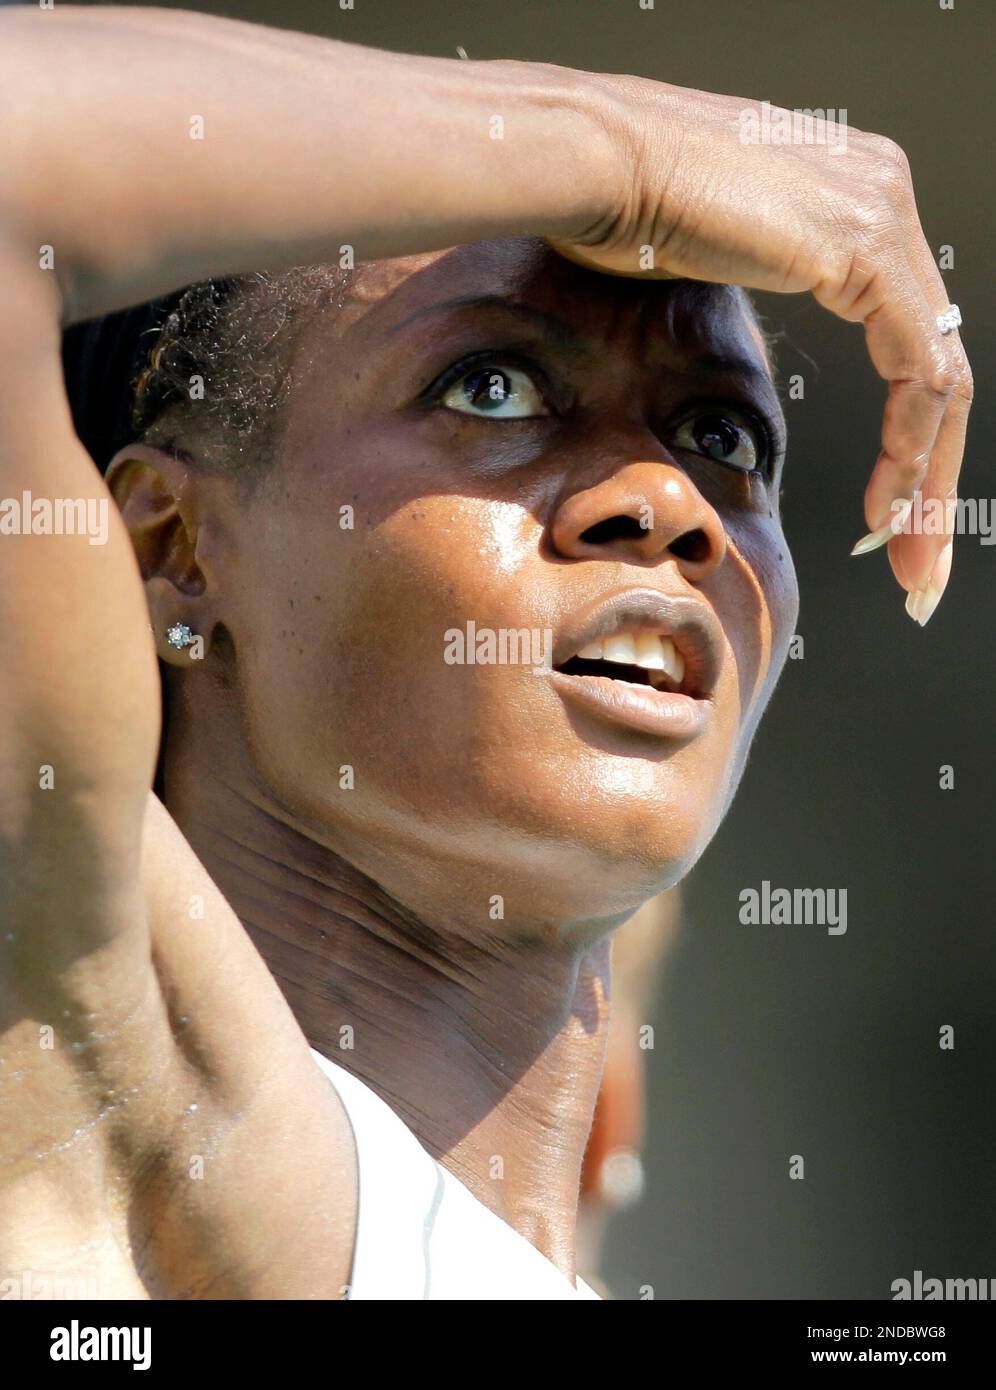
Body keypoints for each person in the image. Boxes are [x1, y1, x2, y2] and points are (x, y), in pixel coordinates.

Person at [0, 6, 971, 1299]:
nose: (668, 504)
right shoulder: (163, 1121)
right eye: (493, 388)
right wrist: (616, 146)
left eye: (721, 434)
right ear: (174, 547)